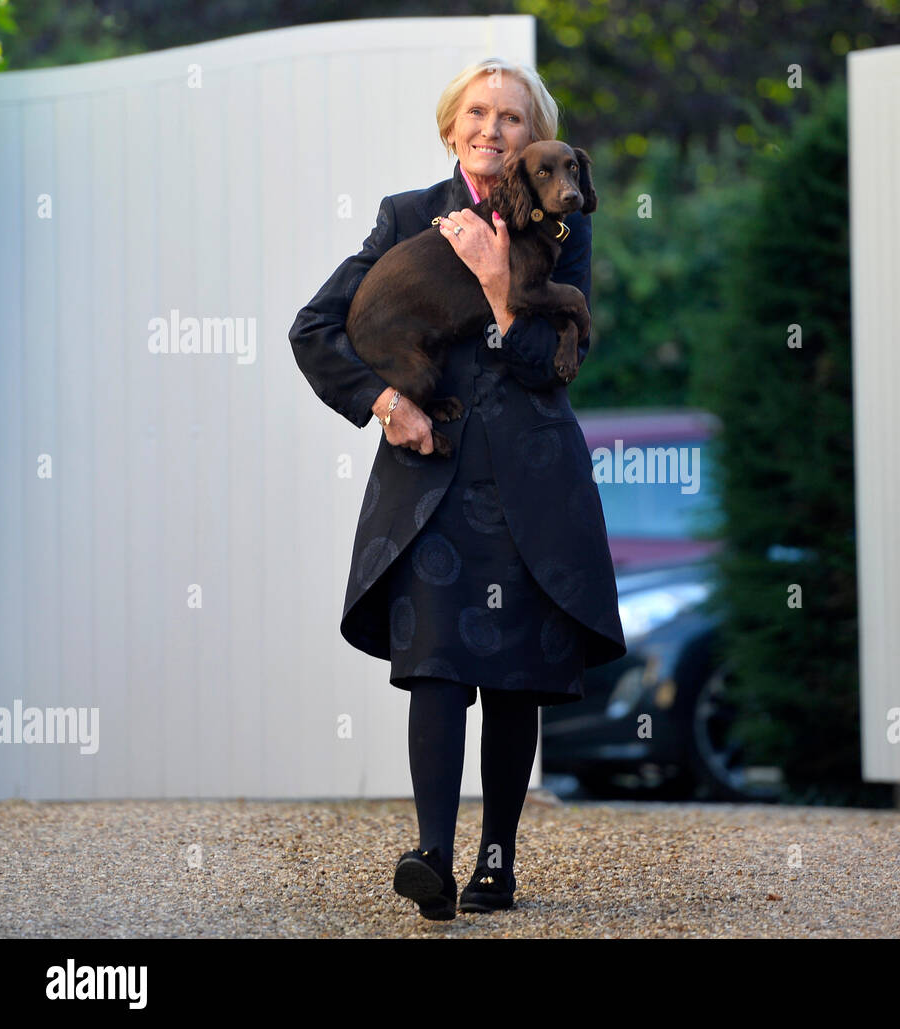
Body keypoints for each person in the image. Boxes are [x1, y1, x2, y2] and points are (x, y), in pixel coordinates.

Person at [288, 57, 626, 921]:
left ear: (534, 141)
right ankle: (431, 856)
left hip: (532, 482)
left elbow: (559, 364)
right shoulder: (406, 216)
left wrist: (496, 291)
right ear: (451, 129)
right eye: (476, 112)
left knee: (516, 674)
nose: (492, 128)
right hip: (429, 480)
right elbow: (317, 327)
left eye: (512, 117)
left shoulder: (561, 221)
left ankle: (498, 861)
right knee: (435, 665)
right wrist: (383, 402)